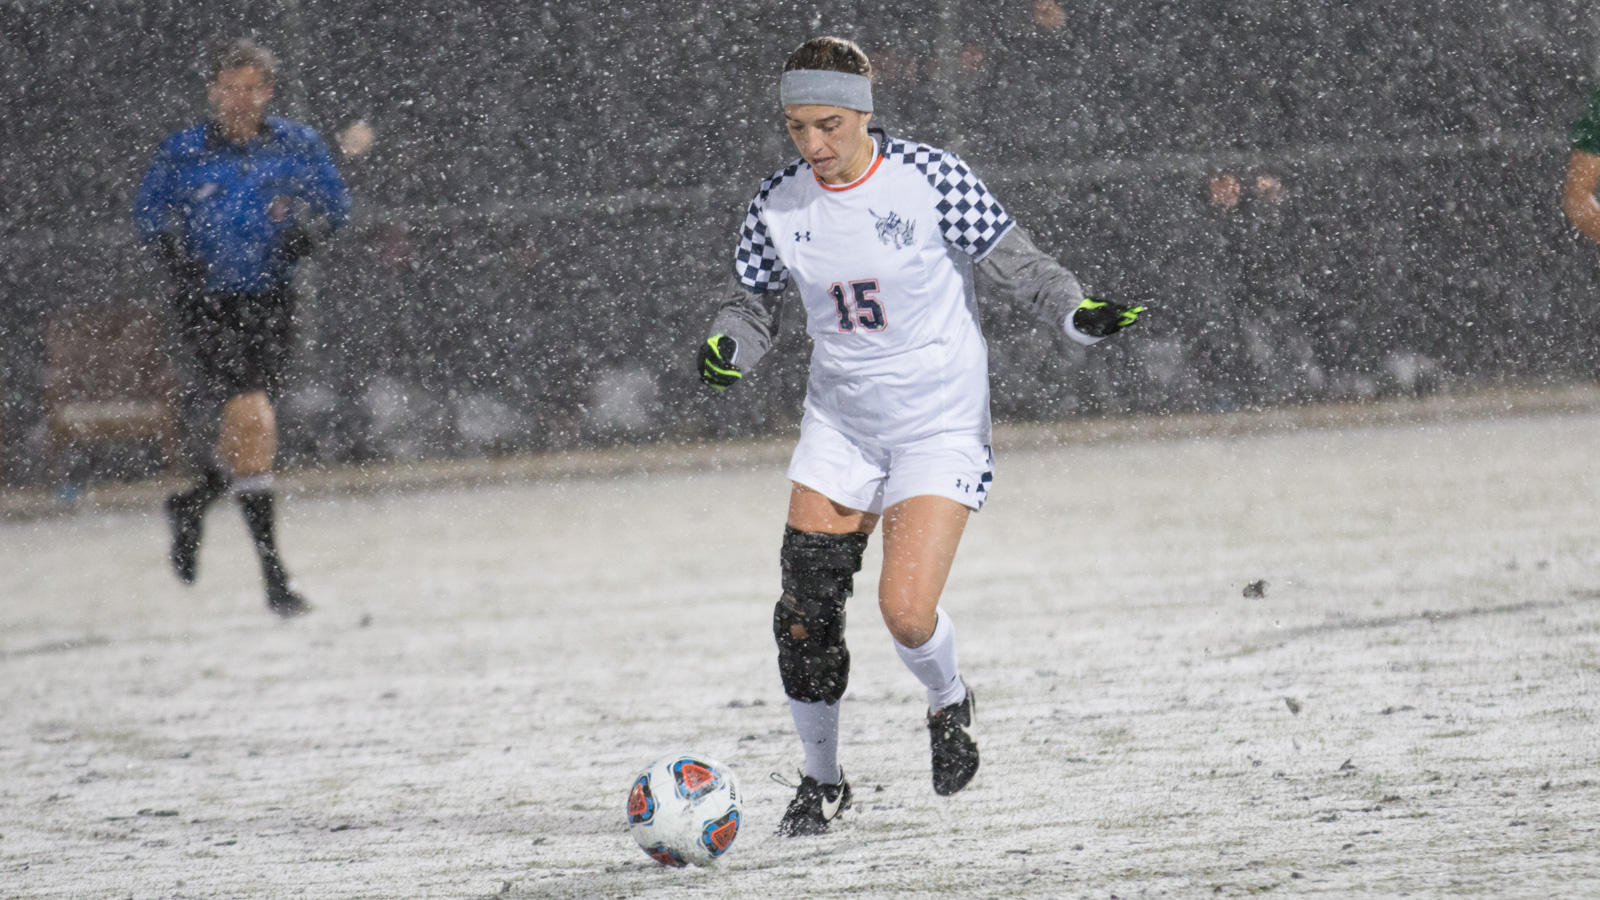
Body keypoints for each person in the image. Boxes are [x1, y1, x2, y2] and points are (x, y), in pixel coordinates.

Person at [697, 37, 1143, 836]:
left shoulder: (931, 178)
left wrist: (1078, 315)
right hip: (841, 424)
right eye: (796, 128)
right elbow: (752, 304)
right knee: (802, 611)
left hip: (937, 421)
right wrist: (730, 346)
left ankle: (947, 700)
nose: (814, 146)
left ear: (865, 111)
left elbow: (1024, 271)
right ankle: (821, 780)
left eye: (828, 125)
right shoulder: (778, 202)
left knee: (904, 613)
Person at [134, 38, 351, 617]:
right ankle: (275, 580)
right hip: (207, 304)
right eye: (228, 88)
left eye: (250, 88)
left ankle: (194, 502)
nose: (238, 99)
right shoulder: (183, 153)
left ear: (267, 92)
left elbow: (336, 205)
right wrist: (176, 256)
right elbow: (148, 213)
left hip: (272, 301)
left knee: (253, 430)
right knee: (253, 413)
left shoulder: (295, 145)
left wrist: (309, 235)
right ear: (212, 91)